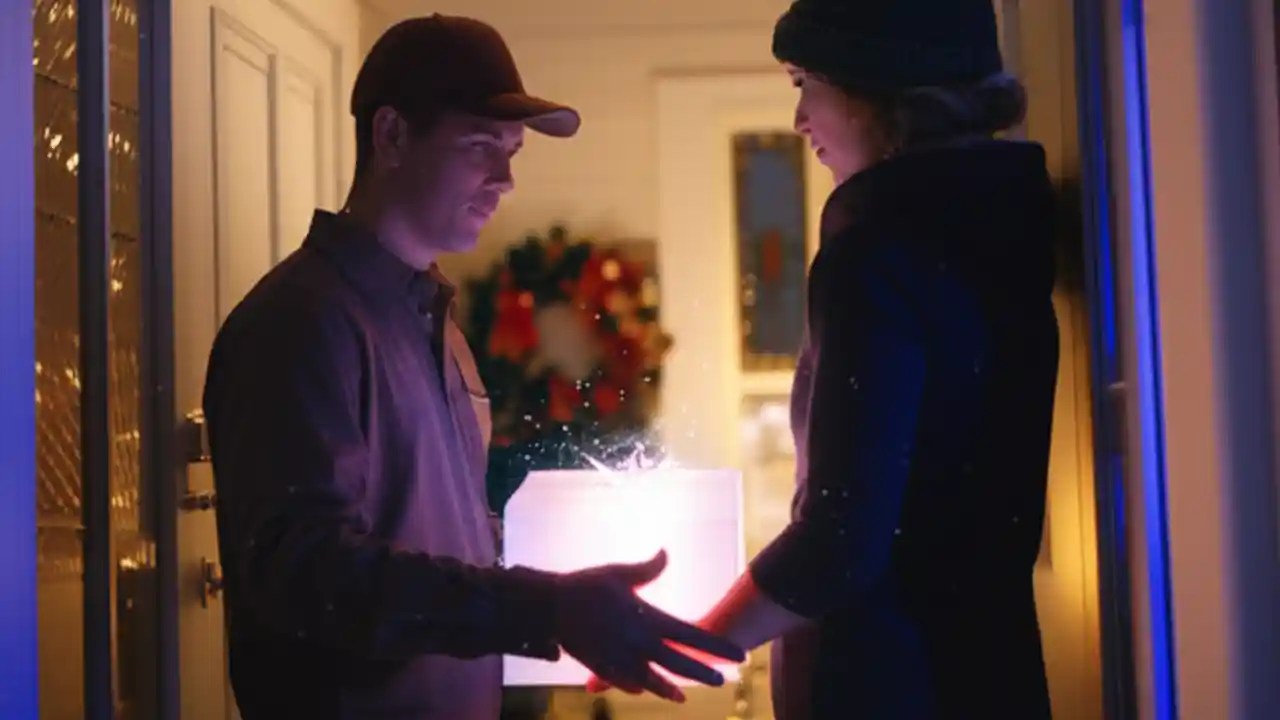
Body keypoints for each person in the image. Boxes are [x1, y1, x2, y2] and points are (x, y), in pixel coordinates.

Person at [202, 15, 742, 720]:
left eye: (512, 151)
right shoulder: (301, 323)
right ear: (390, 134)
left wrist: (563, 575)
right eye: (482, 145)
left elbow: (437, 540)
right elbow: (303, 571)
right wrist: (545, 609)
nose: (505, 178)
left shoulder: (433, 323)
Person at [689, 1, 1060, 718]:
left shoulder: (876, 256)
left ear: (878, 91)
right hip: (988, 670)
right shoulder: (1000, 237)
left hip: (890, 685)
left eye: (805, 83)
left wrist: (697, 638)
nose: (799, 122)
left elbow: (843, 535)